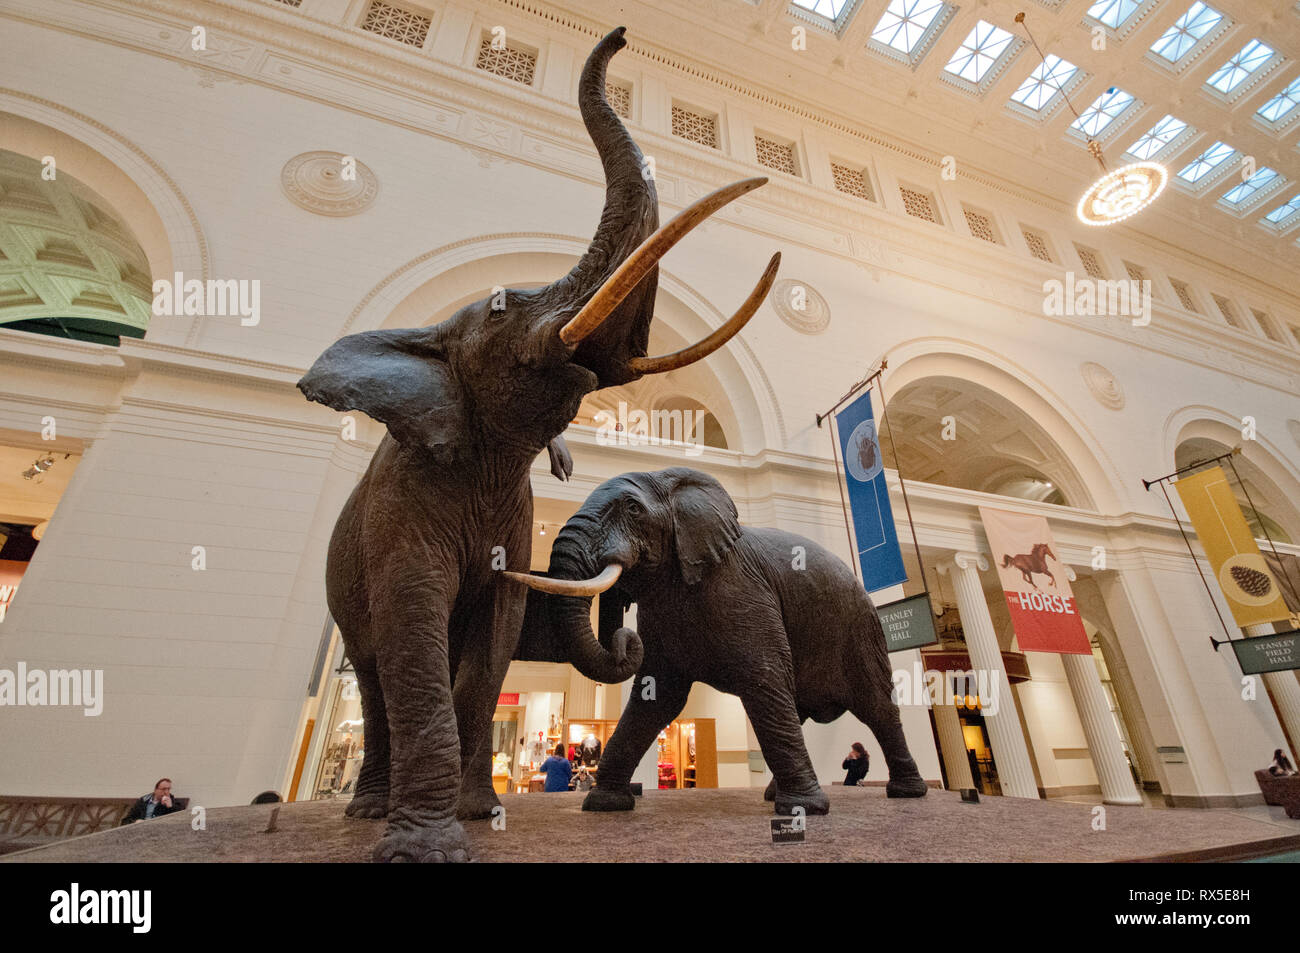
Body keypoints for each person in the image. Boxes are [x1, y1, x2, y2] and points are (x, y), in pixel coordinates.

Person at [120, 778, 185, 825]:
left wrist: (171, 807)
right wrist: (136, 822)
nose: (166, 792)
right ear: (155, 790)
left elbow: (181, 819)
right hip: (141, 829)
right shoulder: (143, 801)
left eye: (168, 789)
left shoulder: (172, 802)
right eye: (163, 789)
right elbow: (126, 820)